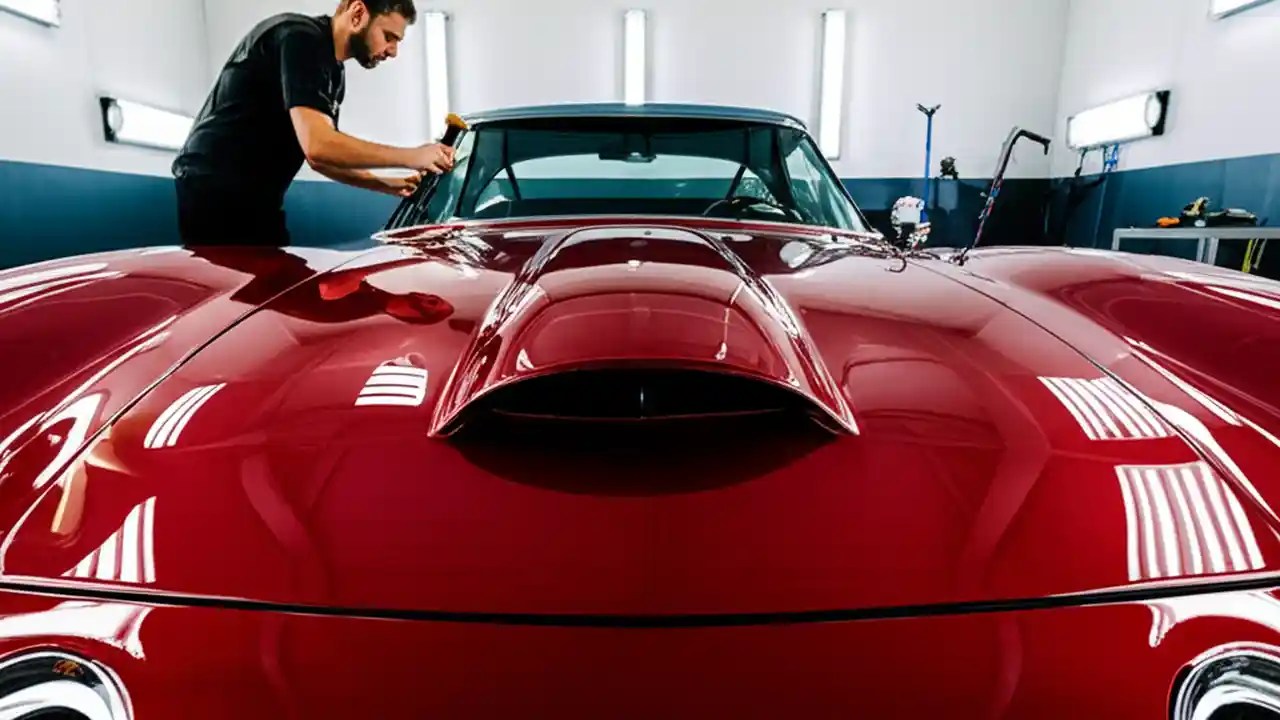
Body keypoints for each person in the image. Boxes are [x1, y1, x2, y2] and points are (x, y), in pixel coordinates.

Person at [171, 0, 454, 246]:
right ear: (357, 14)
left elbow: (323, 159)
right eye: (389, 36)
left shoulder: (333, 71)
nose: (392, 51)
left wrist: (387, 184)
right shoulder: (300, 39)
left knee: (275, 286)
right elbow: (319, 146)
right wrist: (412, 156)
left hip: (259, 199)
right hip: (215, 193)